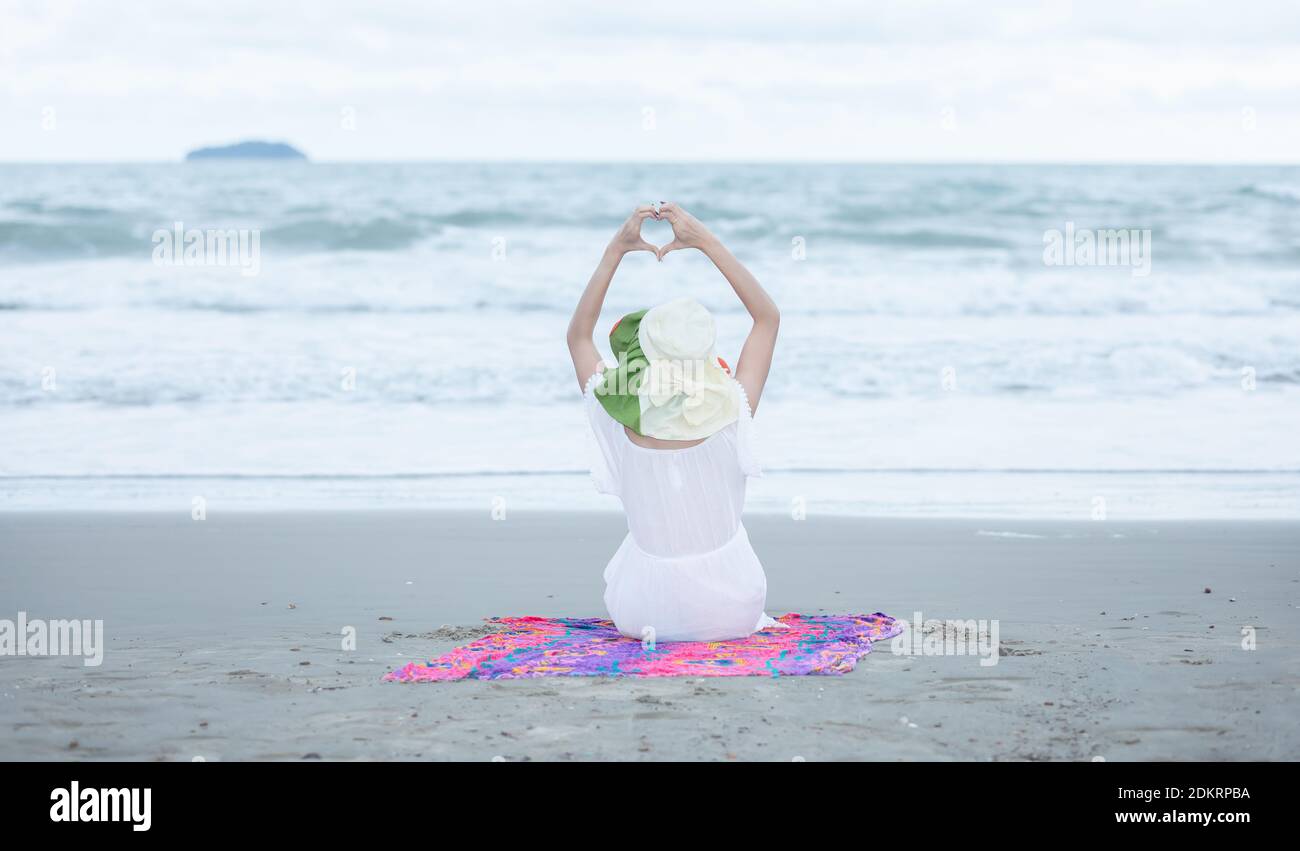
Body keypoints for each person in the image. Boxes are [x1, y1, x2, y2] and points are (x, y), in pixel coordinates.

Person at [566, 202, 782, 642]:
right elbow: (767, 318)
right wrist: (706, 242)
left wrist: (616, 250)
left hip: (645, 616)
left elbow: (578, 336)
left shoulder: (613, 418)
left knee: (637, 553)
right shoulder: (734, 408)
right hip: (734, 613)